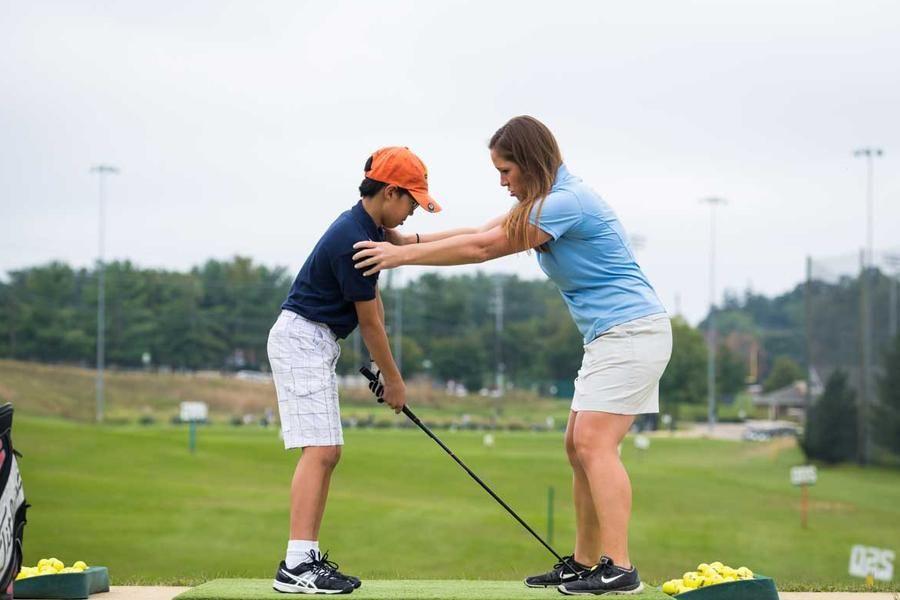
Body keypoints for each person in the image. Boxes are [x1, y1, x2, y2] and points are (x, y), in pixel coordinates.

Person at [352, 116, 671, 596]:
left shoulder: (566, 203)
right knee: (577, 446)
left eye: (506, 170)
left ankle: (619, 568)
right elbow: (482, 229)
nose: (502, 182)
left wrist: (399, 259)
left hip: (632, 332)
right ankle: (586, 562)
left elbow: (484, 249)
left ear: (530, 162)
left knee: (594, 445)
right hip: (612, 336)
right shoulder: (543, 200)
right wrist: (407, 241)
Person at [268, 146, 441, 594]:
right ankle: (297, 565)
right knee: (322, 451)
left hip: (313, 341)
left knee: (328, 451)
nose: (412, 214)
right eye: (412, 203)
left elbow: (373, 305)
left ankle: (303, 558)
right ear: (389, 193)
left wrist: (388, 374)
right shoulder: (356, 239)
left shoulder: (365, 227)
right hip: (302, 339)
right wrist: (397, 382)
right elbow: (369, 323)